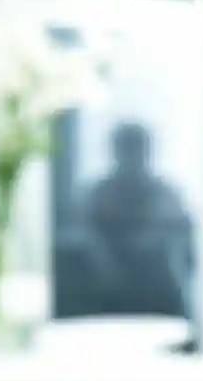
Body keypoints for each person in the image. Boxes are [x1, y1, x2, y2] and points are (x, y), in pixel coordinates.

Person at [80, 123, 195, 320]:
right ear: (116, 152)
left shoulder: (166, 195)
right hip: (112, 297)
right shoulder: (100, 196)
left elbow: (187, 250)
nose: (133, 156)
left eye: (137, 149)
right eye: (127, 149)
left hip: (161, 296)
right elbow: (90, 246)